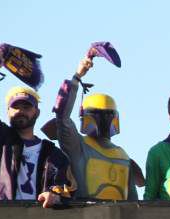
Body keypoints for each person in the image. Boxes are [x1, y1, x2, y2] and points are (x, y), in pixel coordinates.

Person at [0, 47, 72, 204]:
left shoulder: (54, 155)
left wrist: (55, 195)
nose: (20, 111)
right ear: (7, 111)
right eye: (15, 107)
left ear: (37, 112)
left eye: (26, 107)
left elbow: (67, 190)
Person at [54, 55, 136, 200]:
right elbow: (62, 117)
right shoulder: (78, 146)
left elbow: (133, 202)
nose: (103, 120)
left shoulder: (123, 156)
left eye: (107, 115)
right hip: (83, 218)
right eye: (97, 114)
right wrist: (76, 77)